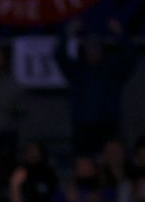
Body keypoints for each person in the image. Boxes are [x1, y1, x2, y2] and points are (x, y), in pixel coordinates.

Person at [54, 18, 136, 155]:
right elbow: (59, 56)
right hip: (83, 124)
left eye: (95, 47)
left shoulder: (112, 70)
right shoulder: (76, 70)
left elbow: (130, 59)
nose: (92, 50)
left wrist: (121, 35)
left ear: (101, 50)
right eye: (89, 47)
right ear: (84, 50)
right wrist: (66, 34)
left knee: (110, 158)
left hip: (108, 123)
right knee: (84, 160)